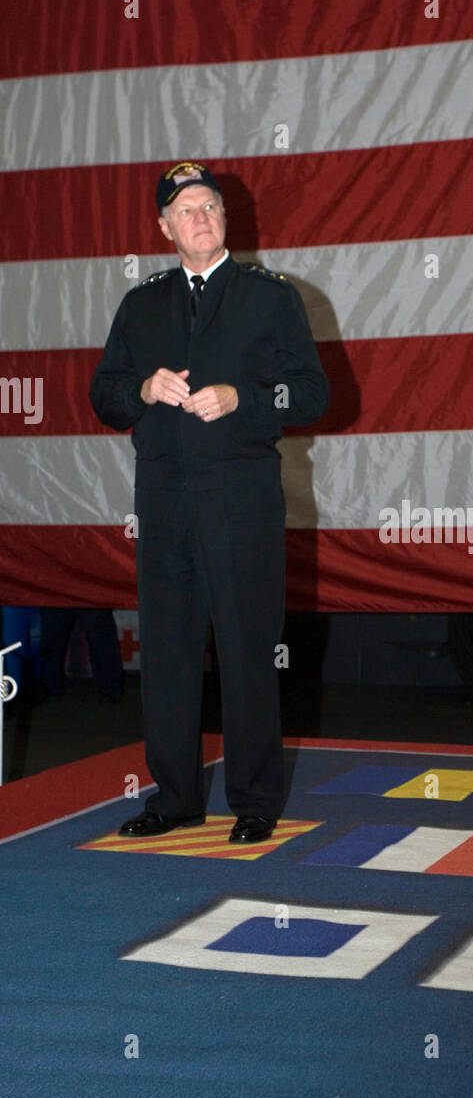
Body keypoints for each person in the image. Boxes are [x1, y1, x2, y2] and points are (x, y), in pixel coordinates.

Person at [90, 162, 329, 843]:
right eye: (186, 209)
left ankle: (253, 799)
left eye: (211, 207)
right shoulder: (143, 303)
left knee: (249, 650)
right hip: (163, 499)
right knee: (165, 651)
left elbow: (312, 395)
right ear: (164, 227)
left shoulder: (269, 295)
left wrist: (242, 400)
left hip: (239, 499)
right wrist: (140, 389)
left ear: (227, 220)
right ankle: (174, 795)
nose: (200, 217)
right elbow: (102, 394)